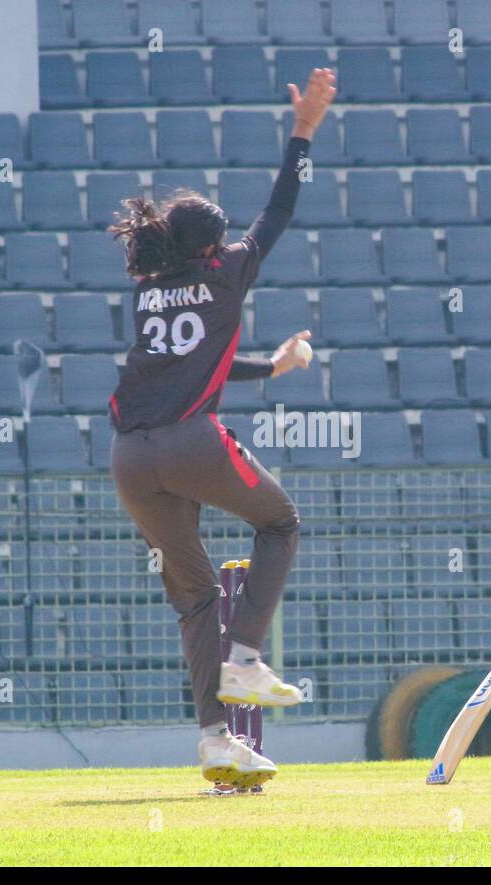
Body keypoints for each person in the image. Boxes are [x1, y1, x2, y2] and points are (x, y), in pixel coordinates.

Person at [107, 68, 336, 790]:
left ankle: (216, 743)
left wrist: (272, 367)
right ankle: (246, 657)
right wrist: (304, 130)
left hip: (129, 458)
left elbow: (197, 358)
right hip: (191, 441)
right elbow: (280, 209)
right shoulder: (230, 271)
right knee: (280, 522)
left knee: (196, 596)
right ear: (214, 247)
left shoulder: (147, 292)